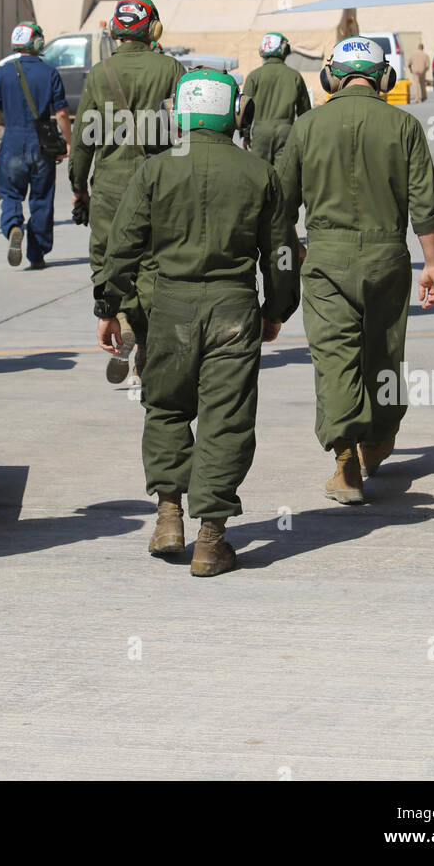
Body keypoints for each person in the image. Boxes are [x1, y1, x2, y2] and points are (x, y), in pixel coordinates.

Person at [96, 68, 300, 577]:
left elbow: (121, 247)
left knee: (165, 408)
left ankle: (168, 517)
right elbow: (279, 255)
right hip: (234, 310)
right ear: (238, 113)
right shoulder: (259, 173)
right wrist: (276, 310)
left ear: (179, 114)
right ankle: (211, 538)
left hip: (169, 310)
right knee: (225, 419)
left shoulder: (155, 171)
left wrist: (109, 308)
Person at [277, 36, 434, 505]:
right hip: (388, 256)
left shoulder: (307, 126)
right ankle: (379, 438)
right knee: (384, 351)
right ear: (384, 77)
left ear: (330, 76)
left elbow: (281, 207)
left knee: (334, 358)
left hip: (326, 258)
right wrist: (432, 263)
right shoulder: (404, 125)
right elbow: (425, 205)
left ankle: (345, 459)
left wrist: (293, 253)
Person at [69, 0, 185, 384]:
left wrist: (78, 188)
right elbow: (185, 129)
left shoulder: (100, 74)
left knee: (108, 259)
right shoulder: (172, 69)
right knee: (154, 262)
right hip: (159, 183)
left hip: (111, 186)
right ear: (153, 29)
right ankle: (147, 346)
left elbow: (83, 139)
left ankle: (119, 318)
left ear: (116, 31)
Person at [0, 21, 71, 269]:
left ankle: (13, 225)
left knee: (10, 192)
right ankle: (37, 253)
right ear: (37, 43)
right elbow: (63, 113)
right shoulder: (50, 72)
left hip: (12, 140)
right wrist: (67, 142)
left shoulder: (1, 73)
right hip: (41, 142)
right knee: (41, 198)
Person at [240, 31, 310, 171]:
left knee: (259, 174)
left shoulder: (254, 76)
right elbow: (305, 113)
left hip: (260, 133)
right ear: (283, 50)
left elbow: (244, 110)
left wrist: (246, 135)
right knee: (283, 176)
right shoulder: (295, 76)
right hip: (286, 133)